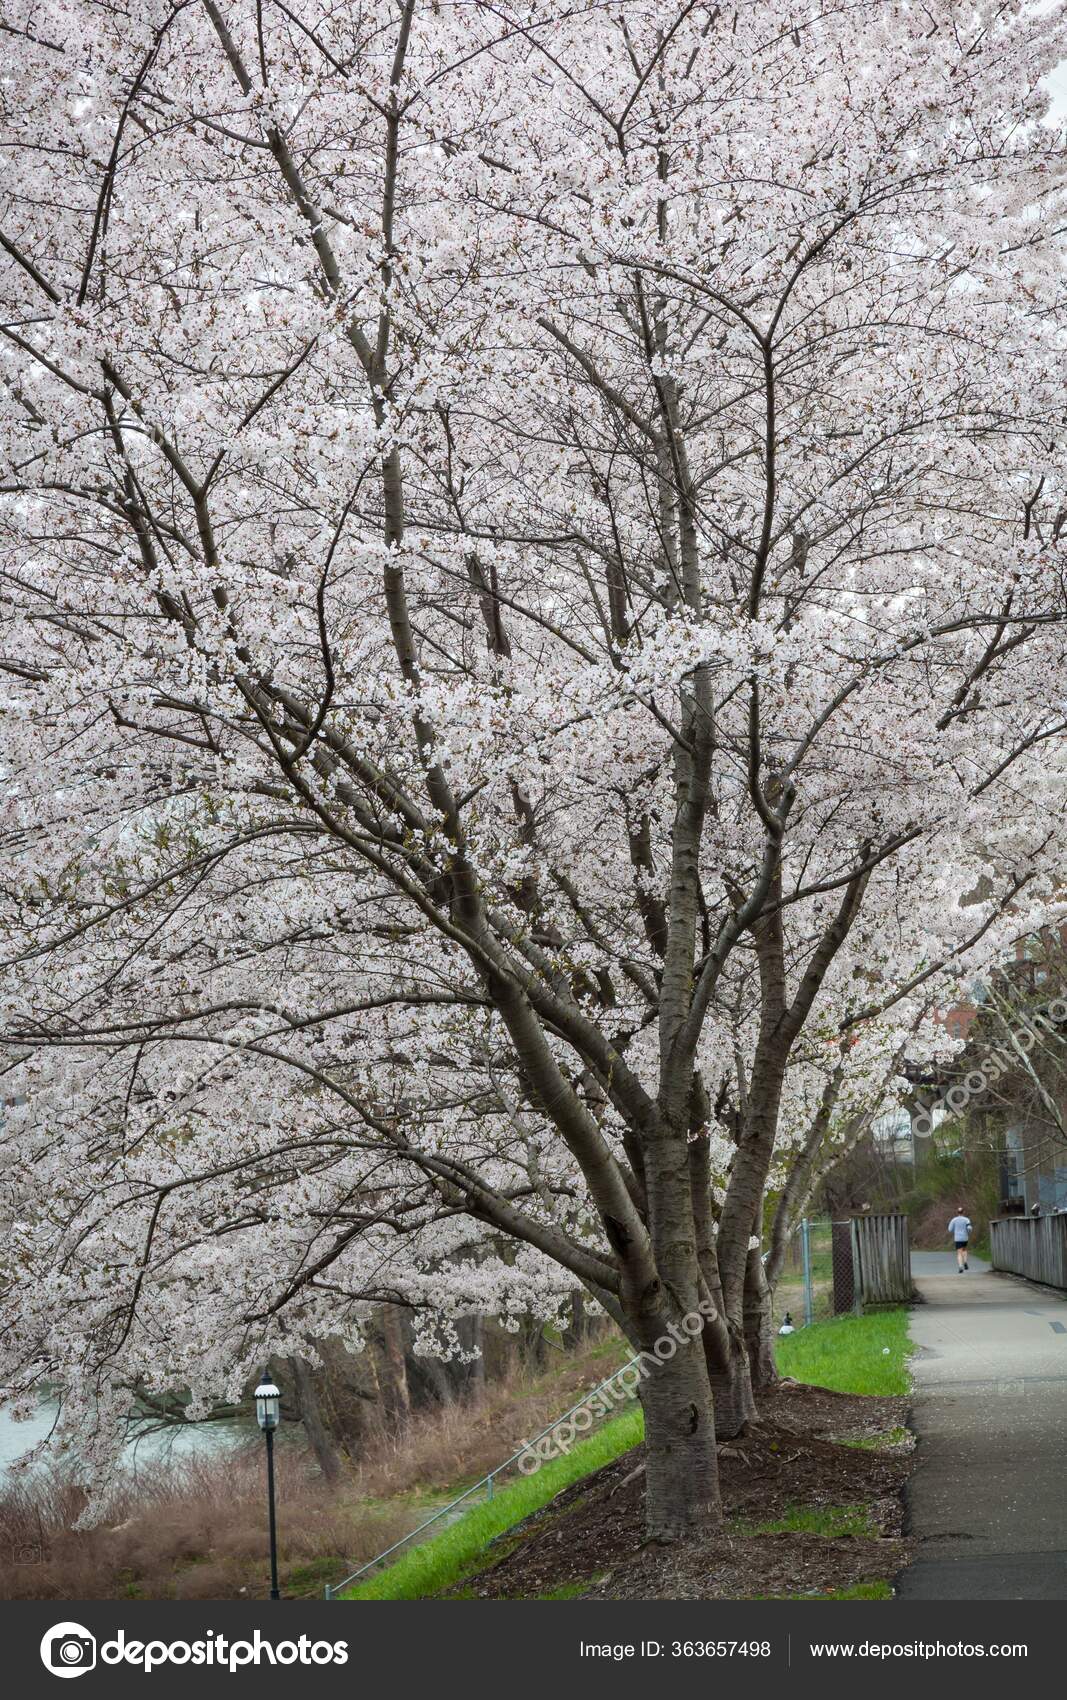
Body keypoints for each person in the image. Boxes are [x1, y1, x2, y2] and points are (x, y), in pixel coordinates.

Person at [948, 1206, 972, 1271]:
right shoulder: (966, 1219)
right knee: (964, 1250)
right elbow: (969, 1228)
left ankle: (960, 1266)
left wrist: (955, 1231)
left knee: (959, 1252)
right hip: (965, 1238)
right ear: (963, 1212)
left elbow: (950, 1229)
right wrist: (968, 1232)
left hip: (957, 1238)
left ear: (957, 1212)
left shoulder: (954, 1220)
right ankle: (965, 1262)